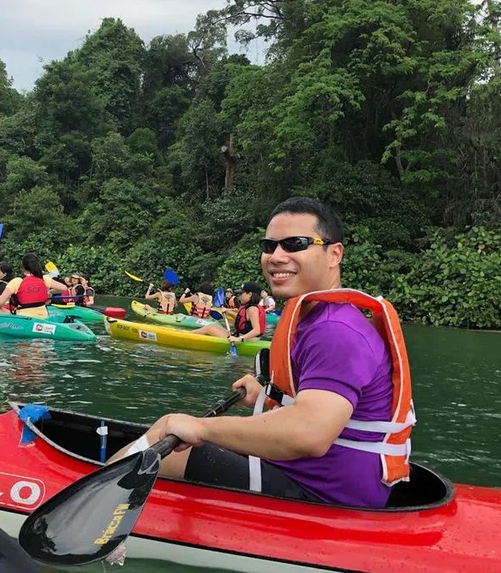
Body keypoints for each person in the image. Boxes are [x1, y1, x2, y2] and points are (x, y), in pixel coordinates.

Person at [109, 197, 414, 509]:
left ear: (334, 254)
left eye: (295, 244)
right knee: (172, 430)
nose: (277, 256)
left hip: (325, 494)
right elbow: (320, 407)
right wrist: (267, 398)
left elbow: (309, 433)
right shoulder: (315, 318)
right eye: (269, 246)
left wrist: (201, 427)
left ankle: (96, 501)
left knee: (171, 443)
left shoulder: (336, 330)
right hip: (315, 476)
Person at [0, 253, 68, 319]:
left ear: (23, 267)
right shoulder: (43, 279)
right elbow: (64, 288)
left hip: (23, 318)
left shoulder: (16, 281)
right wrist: (50, 292)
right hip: (43, 317)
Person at [190, 281, 266, 343]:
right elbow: (242, 319)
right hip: (242, 337)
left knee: (209, 328)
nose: (239, 296)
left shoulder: (252, 309)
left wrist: (239, 339)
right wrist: (228, 312)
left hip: (247, 340)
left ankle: (187, 335)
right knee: (213, 327)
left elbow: (257, 330)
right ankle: (189, 334)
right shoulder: (248, 307)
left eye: (241, 293)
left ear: (249, 294)